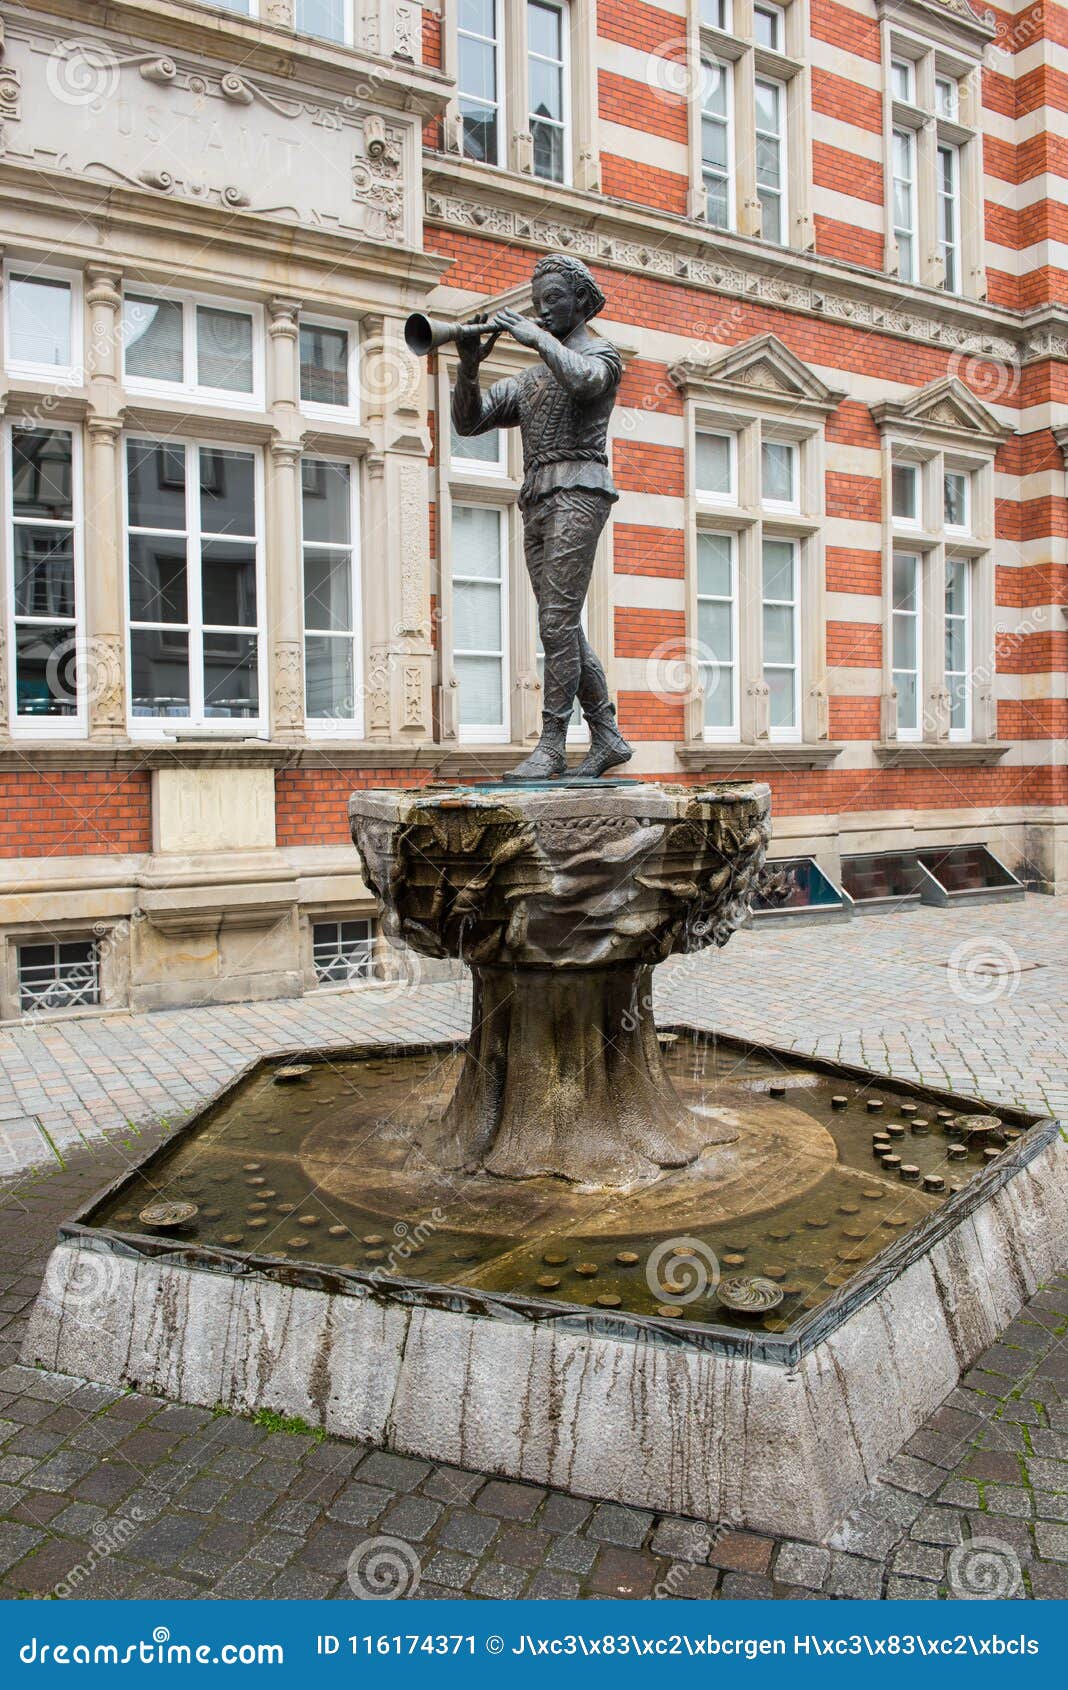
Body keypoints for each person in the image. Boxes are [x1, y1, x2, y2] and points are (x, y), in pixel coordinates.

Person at [451, 254, 633, 780]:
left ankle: (552, 743)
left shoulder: (601, 354)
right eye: (538, 301)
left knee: (554, 621)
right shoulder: (530, 380)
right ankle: (607, 736)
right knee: (563, 623)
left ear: (581, 300)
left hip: (580, 487)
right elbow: (468, 421)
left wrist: (535, 337)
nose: (542, 308)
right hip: (537, 495)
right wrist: (467, 363)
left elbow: (583, 382)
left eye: (553, 298)